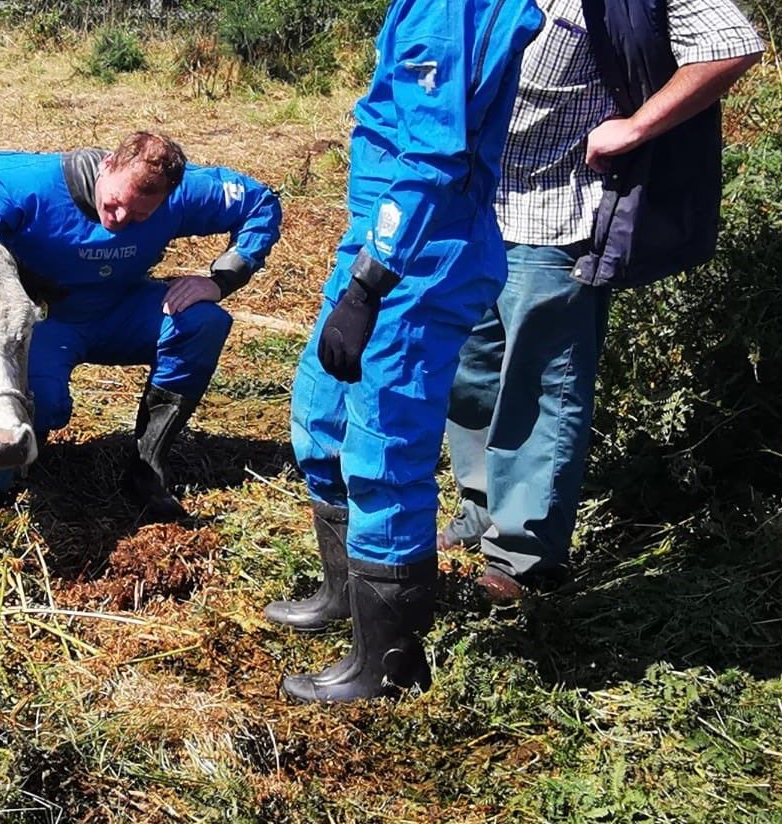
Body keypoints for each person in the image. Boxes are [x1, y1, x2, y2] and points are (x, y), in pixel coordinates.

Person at [265, 0, 545, 703]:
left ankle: (386, 664)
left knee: (384, 451)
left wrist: (369, 284)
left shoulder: (445, 9)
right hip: (376, 238)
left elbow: (431, 156)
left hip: (415, 256)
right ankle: (344, 598)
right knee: (320, 417)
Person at [439, 0, 764, 604]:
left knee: (540, 384)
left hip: (555, 216)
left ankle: (522, 558)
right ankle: (480, 510)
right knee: (472, 371)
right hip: (474, 209)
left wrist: (638, 125)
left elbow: (731, 43)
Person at [0, 132, 281, 520]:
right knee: (44, 406)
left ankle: (149, 464)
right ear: (107, 165)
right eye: (116, 204)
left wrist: (222, 279)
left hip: (120, 307)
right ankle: (16, 472)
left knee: (201, 322)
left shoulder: (182, 194)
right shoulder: (30, 186)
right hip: (47, 320)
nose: (121, 220)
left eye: (142, 215)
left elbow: (259, 202)